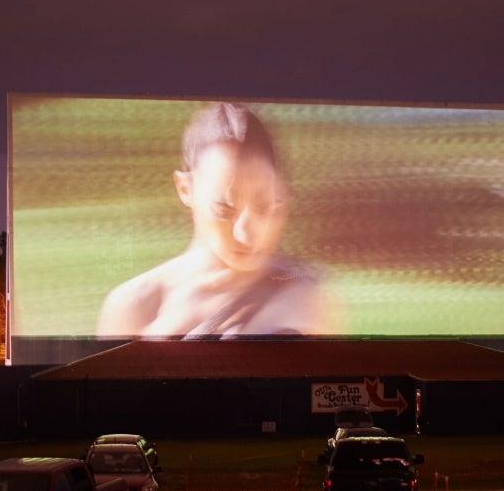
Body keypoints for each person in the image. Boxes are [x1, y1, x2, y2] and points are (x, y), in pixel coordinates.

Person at [96, 102, 340, 339]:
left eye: (265, 206)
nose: (246, 234)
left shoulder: (306, 298)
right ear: (185, 188)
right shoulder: (134, 307)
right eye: (224, 209)